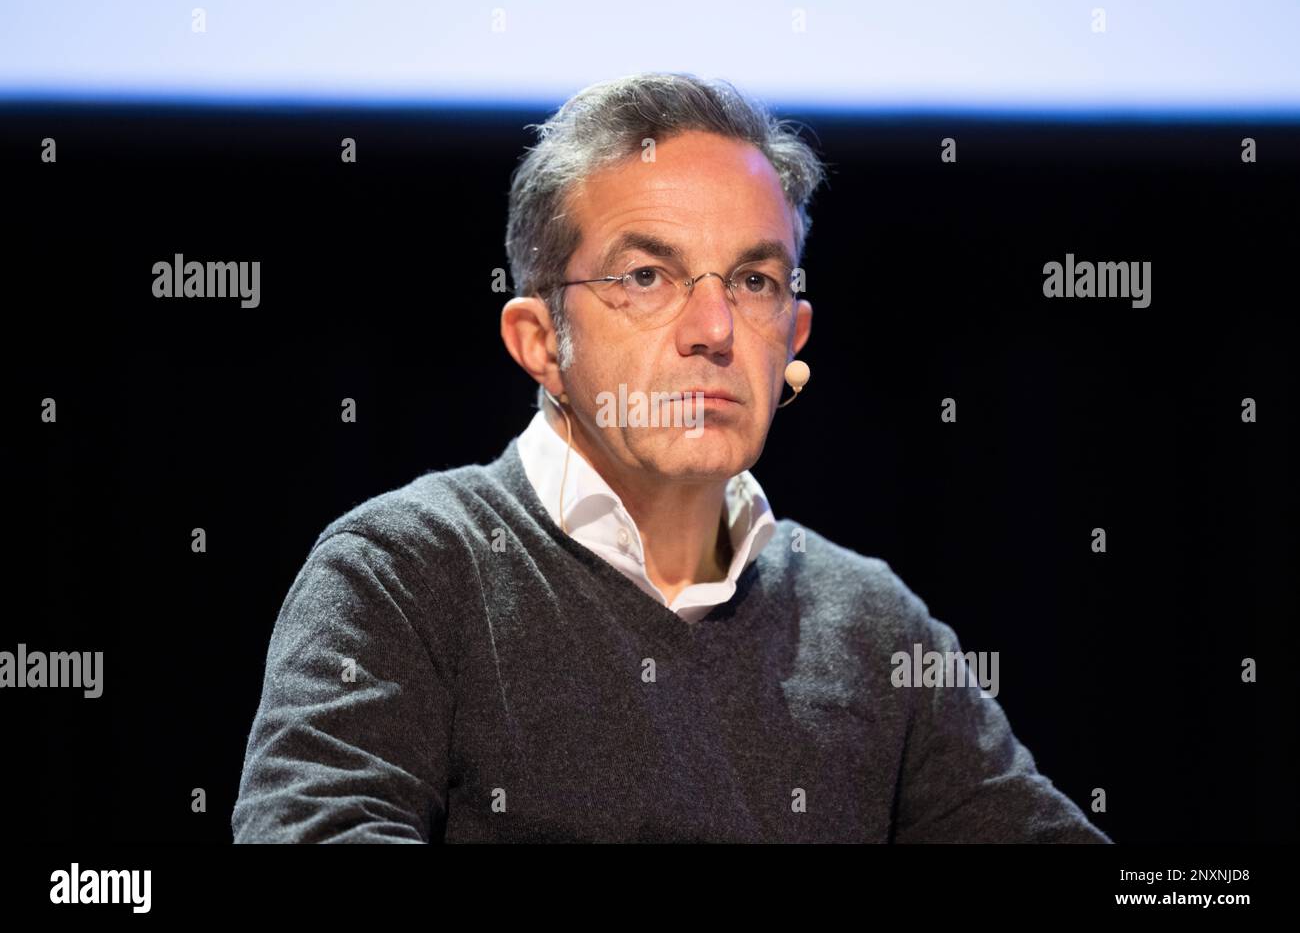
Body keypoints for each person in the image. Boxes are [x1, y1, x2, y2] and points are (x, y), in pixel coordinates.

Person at [232, 72, 1111, 843]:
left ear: (792, 338)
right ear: (541, 341)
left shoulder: (874, 625)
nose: (715, 330)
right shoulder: (404, 575)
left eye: (755, 283)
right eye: (646, 277)